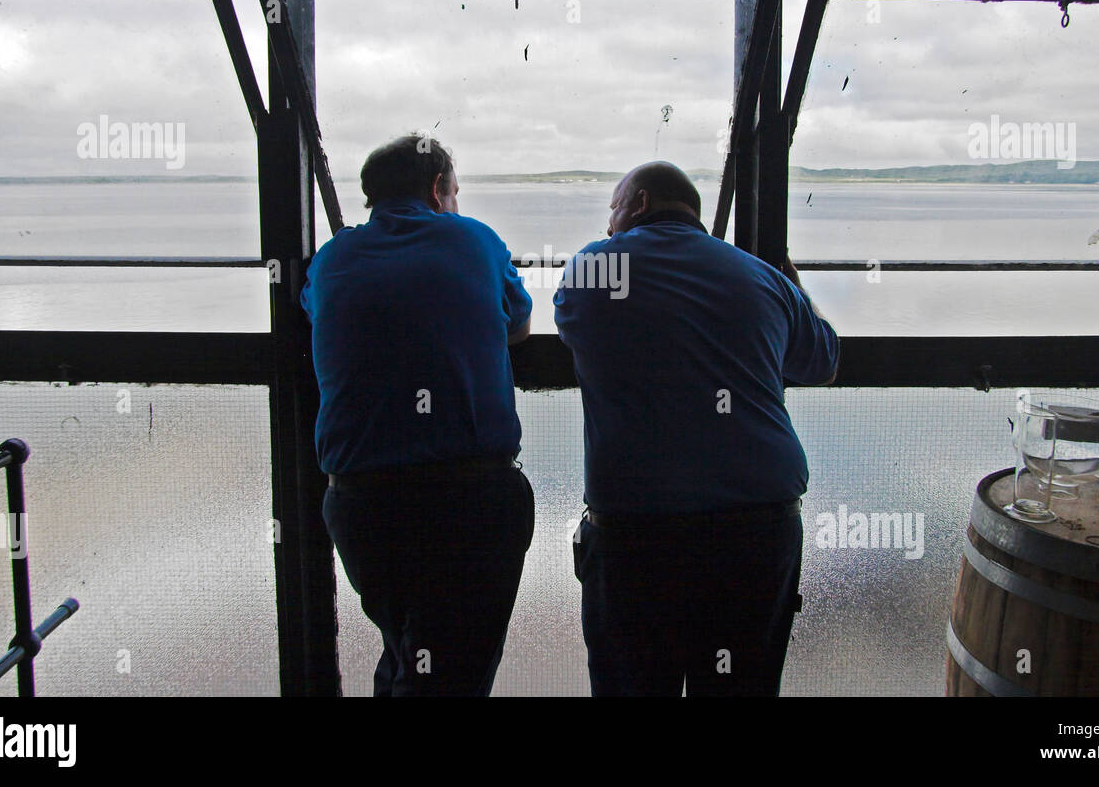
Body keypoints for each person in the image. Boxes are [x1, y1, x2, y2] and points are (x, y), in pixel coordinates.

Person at [554, 161, 839, 697]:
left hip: (637, 535)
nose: (608, 226)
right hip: (757, 531)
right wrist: (798, 292)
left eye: (612, 211)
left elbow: (577, 326)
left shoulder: (594, 268)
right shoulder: (763, 278)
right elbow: (823, 361)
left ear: (637, 205)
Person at [300, 134, 535, 697]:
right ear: (438, 189)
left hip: (361, 503)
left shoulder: (332, 258)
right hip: (470, 499)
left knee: (411, 650)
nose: (455, 202)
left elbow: (317, 315)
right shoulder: (474, 240)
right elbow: (518, 324)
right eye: (454, 191)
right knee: (452, 673)